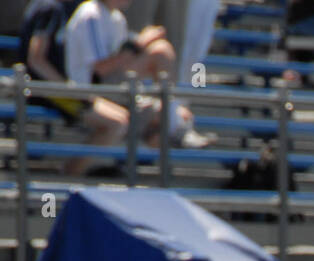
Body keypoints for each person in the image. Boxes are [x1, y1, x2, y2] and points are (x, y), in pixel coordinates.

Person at [63, 0, 209, 148]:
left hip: (114, 88)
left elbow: (120, 65)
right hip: (91, 91)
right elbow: (100, 69)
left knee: (162, 124)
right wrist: (140, 43)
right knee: (160, 52)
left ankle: (172, 121)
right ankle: (175, 125)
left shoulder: (117, 18)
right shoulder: (91, 14)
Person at [18, 0, 129, 175]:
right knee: (116, 123)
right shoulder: (50, 8)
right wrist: (66, 88)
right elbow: (36, 58)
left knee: (123, 117)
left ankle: (78, 170)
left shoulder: (68, 7)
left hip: (63, 90)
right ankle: (71, 174)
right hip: (45, 90)